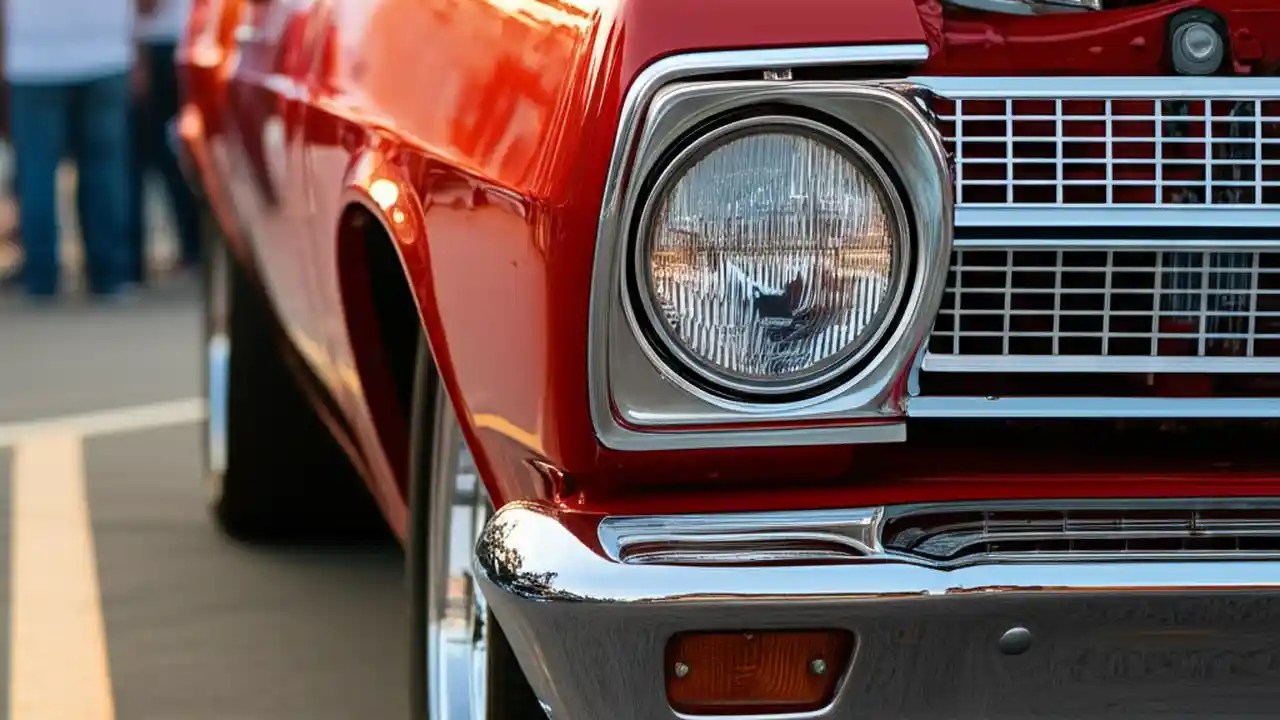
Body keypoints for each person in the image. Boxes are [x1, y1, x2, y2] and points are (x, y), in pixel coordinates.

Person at [4, 0, 135, 298]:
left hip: (34, 58)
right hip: (105, 52)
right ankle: (111, 276)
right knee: (105, 172)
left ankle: (40, 277)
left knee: (36, 172)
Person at [130, 0, 199, 282]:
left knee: (163, 155)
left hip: (160, 46)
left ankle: (191, 247)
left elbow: (147, 5)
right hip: (153, 46)